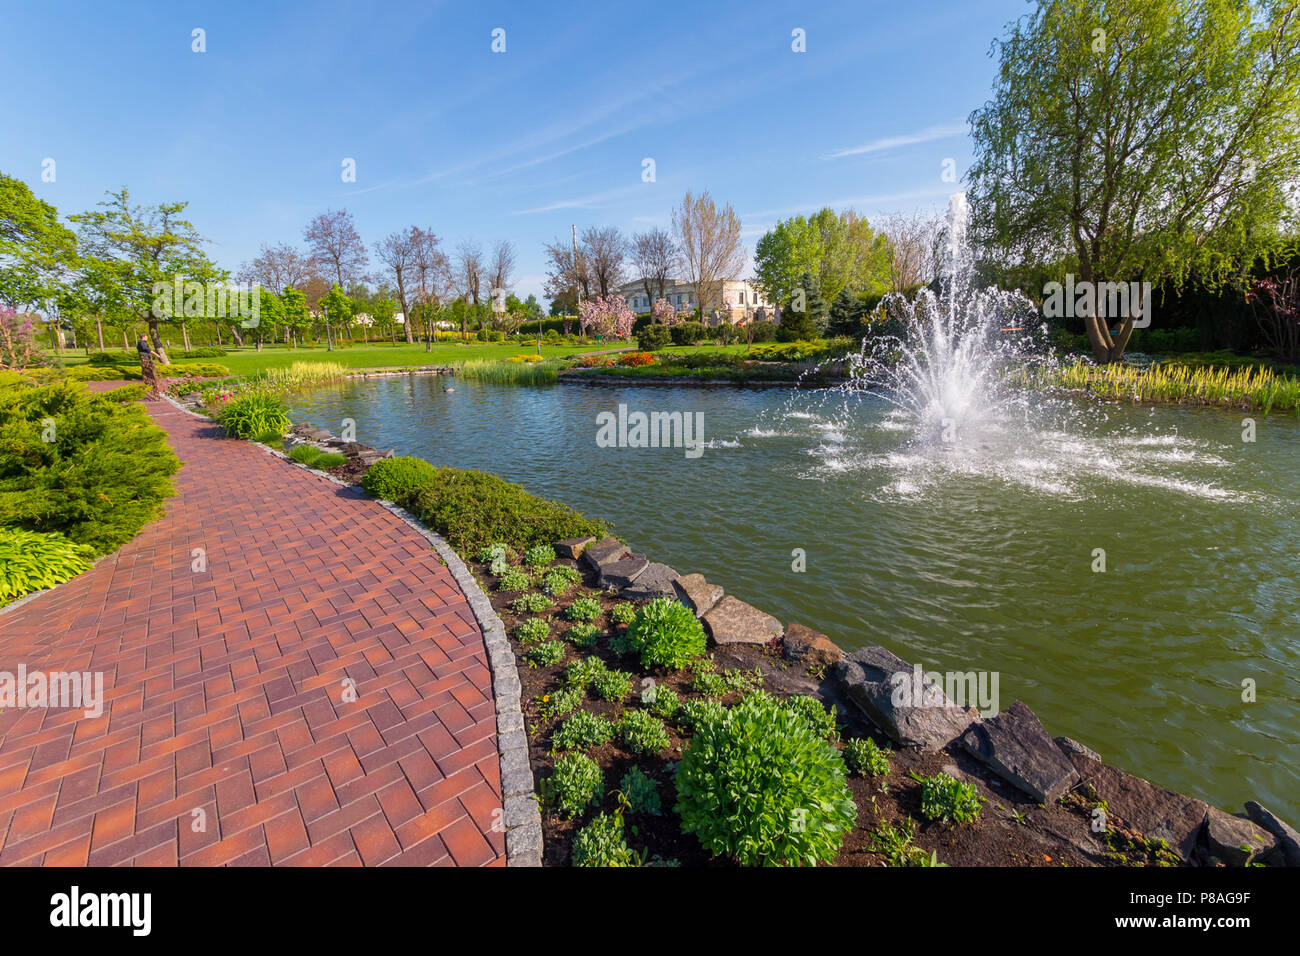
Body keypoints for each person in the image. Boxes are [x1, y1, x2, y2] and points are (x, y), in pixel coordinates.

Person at [137, 332, 160, 397]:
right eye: (146, 336)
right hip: (145, 359)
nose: (147, 338)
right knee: (148, 370)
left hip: (145, 358)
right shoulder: (142, 343)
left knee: (147, 370)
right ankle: (149, 383)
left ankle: (149, 383)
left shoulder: (141, 343)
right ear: (143, 337)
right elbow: (147, 350)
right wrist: (156, 354)